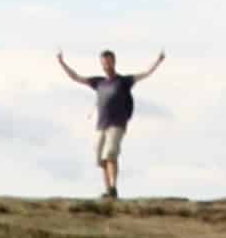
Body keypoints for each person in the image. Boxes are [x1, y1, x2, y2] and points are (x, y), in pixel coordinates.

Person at [57, 45, 163, 199]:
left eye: (109, 62)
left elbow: (146, 73)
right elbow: (76, 77)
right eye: (104, 63)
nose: (107, 65)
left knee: (110, 154)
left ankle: (113, 188)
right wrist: (62, 63)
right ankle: (109, 191)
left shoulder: (124, 81)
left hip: (117, 124)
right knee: (100, 158)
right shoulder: (98, 82)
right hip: (101, 125)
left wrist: (158, 61)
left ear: (114, 62)